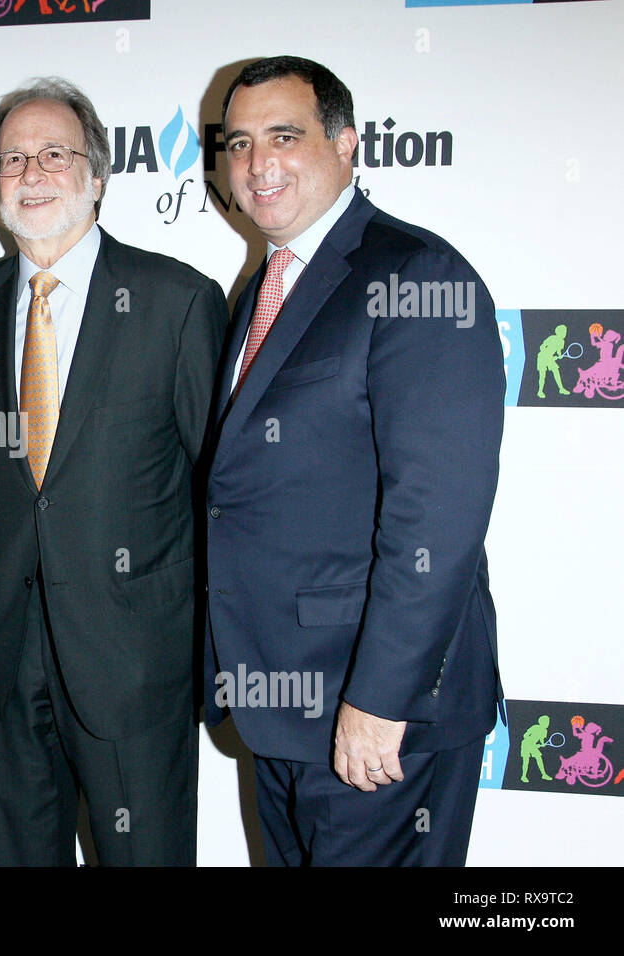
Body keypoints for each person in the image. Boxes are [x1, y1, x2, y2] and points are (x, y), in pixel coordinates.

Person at [203, 56, 504, 866]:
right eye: (238, 142)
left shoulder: (416, 274)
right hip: (280, 705)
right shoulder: (261, 290)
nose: (258, 163)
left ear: (346, 144)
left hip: (375, 718)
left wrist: (379, 699)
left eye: (284, 136)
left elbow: (437, 517)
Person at [0, 78, 228, 865]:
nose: (31, 174)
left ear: (97, 176)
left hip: (135, 662)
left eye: (55, 155)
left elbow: (220, 495)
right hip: (10, 653)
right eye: (12, 159)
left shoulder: (176, 302)